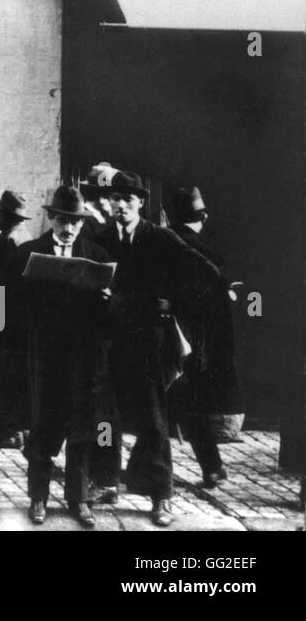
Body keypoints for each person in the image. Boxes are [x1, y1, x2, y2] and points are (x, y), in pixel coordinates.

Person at [97, 170, 223, 527]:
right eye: (114, 199)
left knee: (153, 422)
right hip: (108, 342)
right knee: (106, 418)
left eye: (127, 199)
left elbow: (208, 273)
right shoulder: (101, 237)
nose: (119, 205)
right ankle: (106, 480)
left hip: (148, 343)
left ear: (140, 203)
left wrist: (173, 301)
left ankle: (160, 496)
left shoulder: (159, 238)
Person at [18, 186, 113, 527]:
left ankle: (79, 499)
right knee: (43, 426)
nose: (69, 228)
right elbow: (15, 305)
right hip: (45, 356)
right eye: (63, 220)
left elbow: (110, 314)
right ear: (51, 219)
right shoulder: (30, 253)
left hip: (84, 358)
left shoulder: (97, 255)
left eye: (75, 222)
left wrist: (105, 299)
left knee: (83, 429)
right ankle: (38, 498)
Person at [167, 186, 241, 488]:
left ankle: (209, 468)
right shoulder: (207, 253)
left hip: (162, 335)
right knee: (188, 407)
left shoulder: (160, 242)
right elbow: (217, 308)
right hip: (195, 343)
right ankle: (211, 468)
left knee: (169, 406)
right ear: (201, 217)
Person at [0, 190, 34, 448]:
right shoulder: (21, 236)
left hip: (6, 321)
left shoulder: (10, 240)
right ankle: (19, 428)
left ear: (7, 216)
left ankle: (6, 430)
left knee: (3, 376)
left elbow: (1, 285)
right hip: (17, 322)